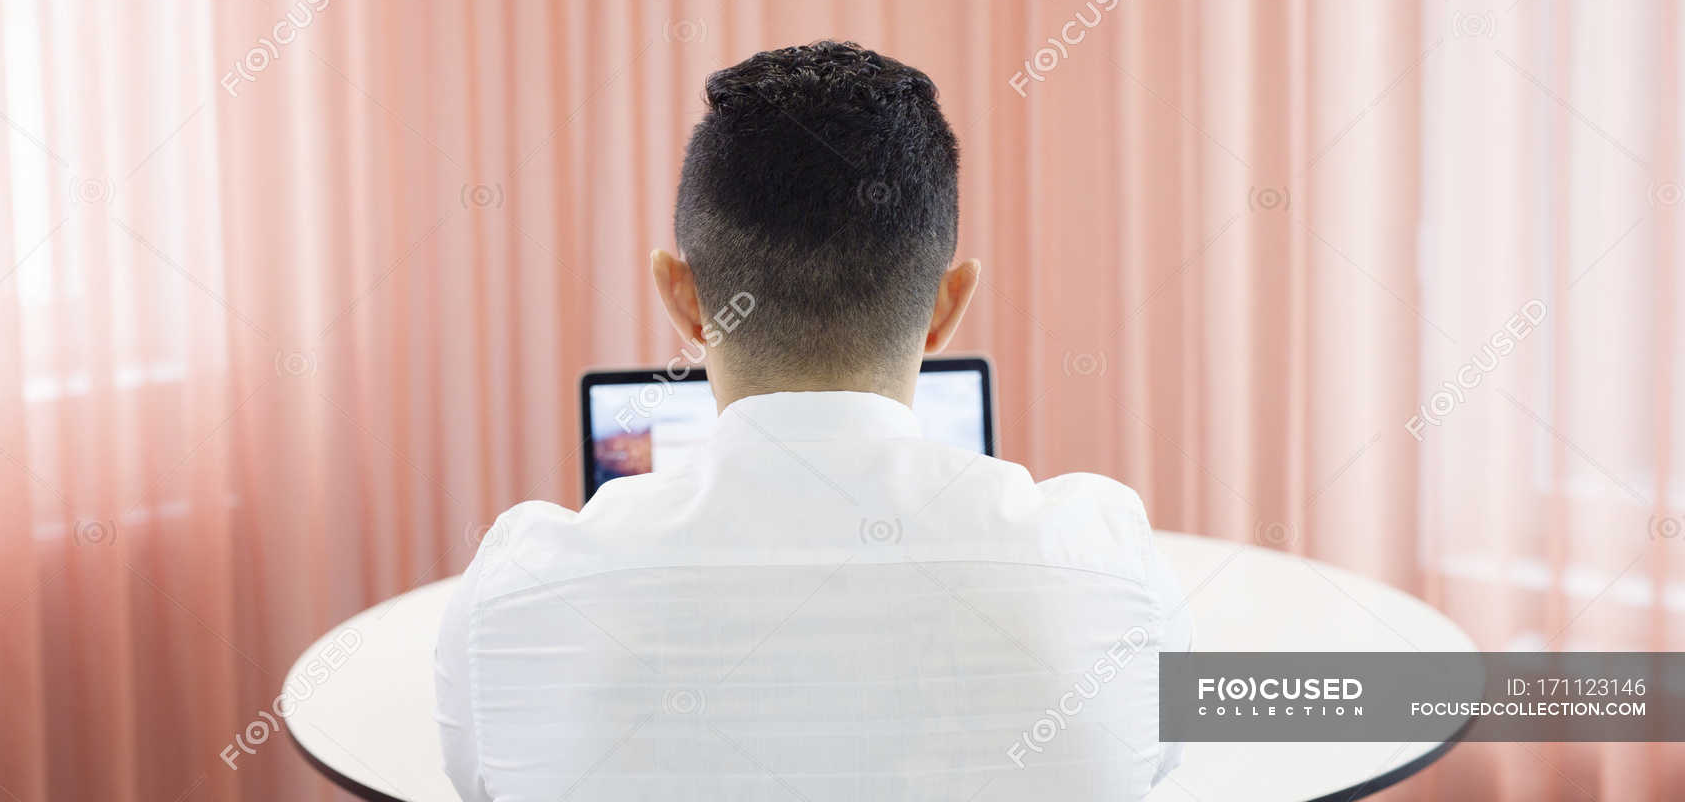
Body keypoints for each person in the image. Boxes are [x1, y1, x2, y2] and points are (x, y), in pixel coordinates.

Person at [435, 41, 1191, 801]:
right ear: (948, 304)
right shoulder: (1108, 559)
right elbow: (1168, 755)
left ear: (683, 297)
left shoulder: (513, 593)